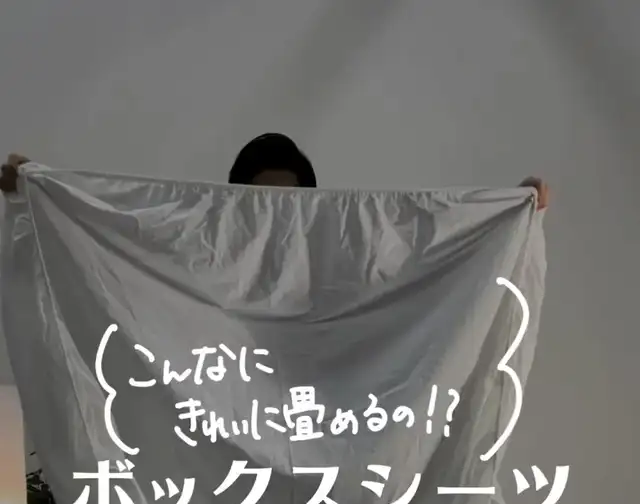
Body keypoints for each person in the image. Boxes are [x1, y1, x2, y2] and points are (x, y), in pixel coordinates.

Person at [1, 137, 549, 205]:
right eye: (259, 198)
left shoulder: (339, 253)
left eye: (289, 199)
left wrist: (506, 213)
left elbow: (419, 249)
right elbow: (124, 225)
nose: (275, 213)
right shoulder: (201, 248)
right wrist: (41, 195)